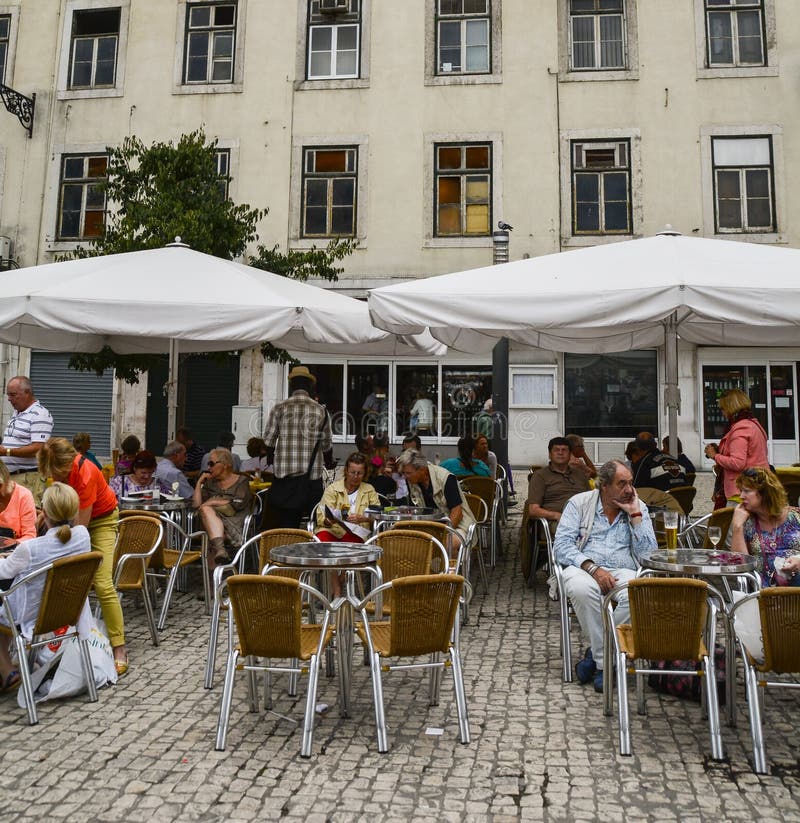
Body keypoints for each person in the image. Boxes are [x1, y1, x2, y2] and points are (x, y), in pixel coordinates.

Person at [553, 460, 657, 693]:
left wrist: (636, 516)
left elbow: (648, 556)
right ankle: (606, 663)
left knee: (637, 591)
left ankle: (597, 657)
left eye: (630, 483)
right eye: (622, 483)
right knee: (581, 589)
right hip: (583, 566)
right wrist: (592, 568)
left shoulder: (636, 506)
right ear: (604, 486)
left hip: (623, 569)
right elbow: (561, 546)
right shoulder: (579, 504)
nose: (629, 489)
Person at [37, 437, 128, 675]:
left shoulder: (85, 473)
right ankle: (61, 637)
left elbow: (79, 533)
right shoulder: (59, 470)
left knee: (101, 582)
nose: (55, 479)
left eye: (57, 474)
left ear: (67, 464)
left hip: (101, 521)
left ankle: (120, 647)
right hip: (73, 520)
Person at [0, 483, 92, 690]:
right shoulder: (82, 536)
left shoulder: (30, 549)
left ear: (44, 511)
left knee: (2, 609)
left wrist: (8, 558)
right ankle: (24, 665)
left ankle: (7, 671)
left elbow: (4, 572)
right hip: (66, 612)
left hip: (31, 616)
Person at [263, 365, 334, 528]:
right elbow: (326, 445)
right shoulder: (320, 410)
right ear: (310, 386)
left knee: (288, 525)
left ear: (292, 385)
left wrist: (271, 458)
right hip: (312, 479)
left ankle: (289, 550)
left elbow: (268, 442)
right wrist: (329, 463)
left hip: (285, 480)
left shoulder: (279, 408)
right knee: (314, 523)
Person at [730, 467, 800, 587]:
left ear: (765, 493)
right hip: (765, 598)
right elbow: (739, 567)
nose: (741, 496)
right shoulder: (748, 525)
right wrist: (737, 527)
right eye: (741, 491)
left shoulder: (796, 517)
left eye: (746, 491)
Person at [396, 449, 475, 554]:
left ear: (422, 469)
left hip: (459, 527)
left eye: (408, 473)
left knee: (446, 543)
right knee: (404, 542)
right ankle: (421, 570)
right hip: (431, 528)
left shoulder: (446, 478)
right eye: (404, 473)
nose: (406, 476)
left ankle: (449, 570)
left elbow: (457, 513)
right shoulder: (412, 480)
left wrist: (443, 533)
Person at [705, 389, 769, 506]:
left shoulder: (740, 429)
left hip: (741, 492)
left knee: (738, 524)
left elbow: (737, 463)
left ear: (730, 408)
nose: (723, 413)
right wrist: (721, 451)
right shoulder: (754, 424)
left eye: (723, 409)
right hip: (758, 487)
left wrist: (715, 456)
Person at [193, 448, 253, 566]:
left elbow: (238, 503)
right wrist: (199, 483)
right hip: (213, 522)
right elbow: (196, 505)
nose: (208, 467)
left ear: (225, 465)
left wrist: (211, 502)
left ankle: (215, 564)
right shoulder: (210, 483)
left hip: (235, 521)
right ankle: (221, 551)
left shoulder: (241, 480)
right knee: (205, 511)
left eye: (211, 463)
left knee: (207, 515)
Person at [1, 376, 54, 506]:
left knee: (25, 519)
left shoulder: (39, 414)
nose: (9, 399)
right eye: (8, 395)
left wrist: (7, 451)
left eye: (13, 395)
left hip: (27, 478)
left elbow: (39, 448)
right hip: (11, 477)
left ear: (27, 393)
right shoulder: (17, 413)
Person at [527, 436, 591, 533]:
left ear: (570, 454)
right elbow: (533, 510)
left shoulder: (580, 474)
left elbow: (592, 501)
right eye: (556, 450)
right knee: (578, 530)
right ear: (549, 454)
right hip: (556, 521)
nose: (560, 453)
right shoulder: (540, 476)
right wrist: (556, 515)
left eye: (564, 450)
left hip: (584, 519)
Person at [315, 452, 379, 543]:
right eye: (352, 473)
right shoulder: (333, 489)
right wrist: (329, 521)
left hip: (358, 533)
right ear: (346, 471)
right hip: (333, 530)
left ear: (365, 474)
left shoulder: (369, 490)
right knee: (322, 539)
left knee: (353, 543)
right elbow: (321, 517)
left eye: (359, 473)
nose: (355, 476)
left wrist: (364, 519)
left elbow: (377, 515)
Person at [0, 460, 37, 543]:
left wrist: (11, 544)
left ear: (7, 480)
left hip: (16, 550)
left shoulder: (23, 496)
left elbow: (30, 536)